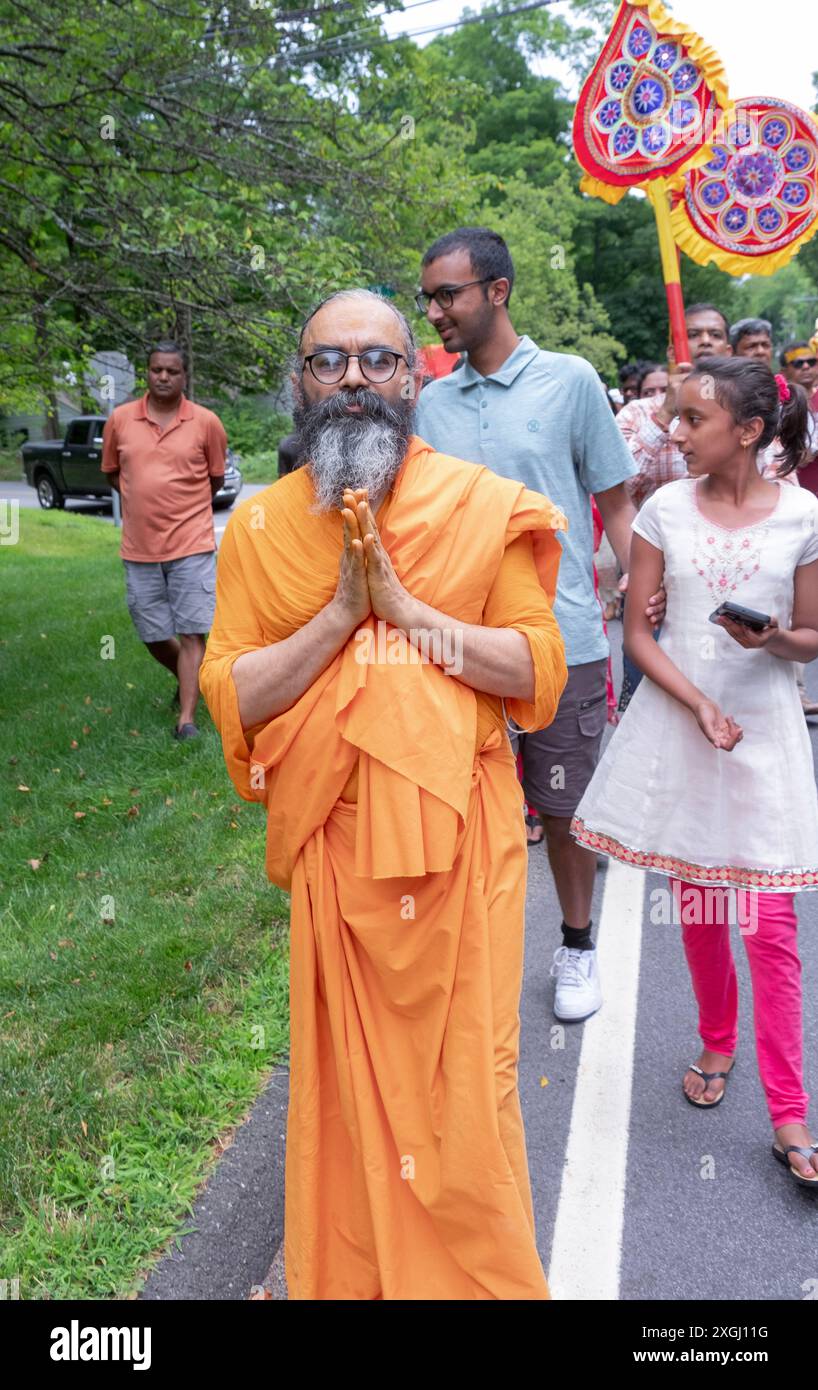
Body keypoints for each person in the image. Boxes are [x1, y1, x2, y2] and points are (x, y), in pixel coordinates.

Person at [199, 288, 569, 1299]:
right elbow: (232, 697)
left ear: (413, 376)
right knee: (347, 1106)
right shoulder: (262, 526)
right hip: (337, 854)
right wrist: (338, 619)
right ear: (299, 381)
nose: (353, 380)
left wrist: (403, 609)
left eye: (376, 359)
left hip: (460, 859)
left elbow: (534, 672)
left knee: (465, 1100)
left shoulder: (475, 503)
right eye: (329, 361)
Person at [571, 358, 818, 1190]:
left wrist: (773, 641)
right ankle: (717, 1039)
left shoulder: (804, 517)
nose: (671, 435)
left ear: (747, 432)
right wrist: (700, 704)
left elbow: (813, 637)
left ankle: (790, 1112)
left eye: (691, 422)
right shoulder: (662, 511)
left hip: (766, 734)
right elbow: (640, 637)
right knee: (702, 904)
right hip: (682, 727)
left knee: (771, 929)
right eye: (672, 418)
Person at [412, 225, 666, 1026]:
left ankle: (577, 946)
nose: (435, 313)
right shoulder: (429, 403)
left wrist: (640, 581)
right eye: (428, 299)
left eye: (447, 294)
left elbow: (617, 502)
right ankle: (465, 958)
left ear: (498, 290)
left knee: (562, 809)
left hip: (564, 641)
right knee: (462, 810)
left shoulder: (571, 381)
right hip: (457, 647)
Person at [101, 341, 226, 740]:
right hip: (139, 548)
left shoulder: (206, 422)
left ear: (184, 375)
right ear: (147, 372)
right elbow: (113, 474)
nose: (164, 377)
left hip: (192, 544)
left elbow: (216, 479)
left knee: (192, 631)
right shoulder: (119, 421)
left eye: (172, 371)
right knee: (152, 633)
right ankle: (193, 679)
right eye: (157, 370)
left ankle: (186, 719)